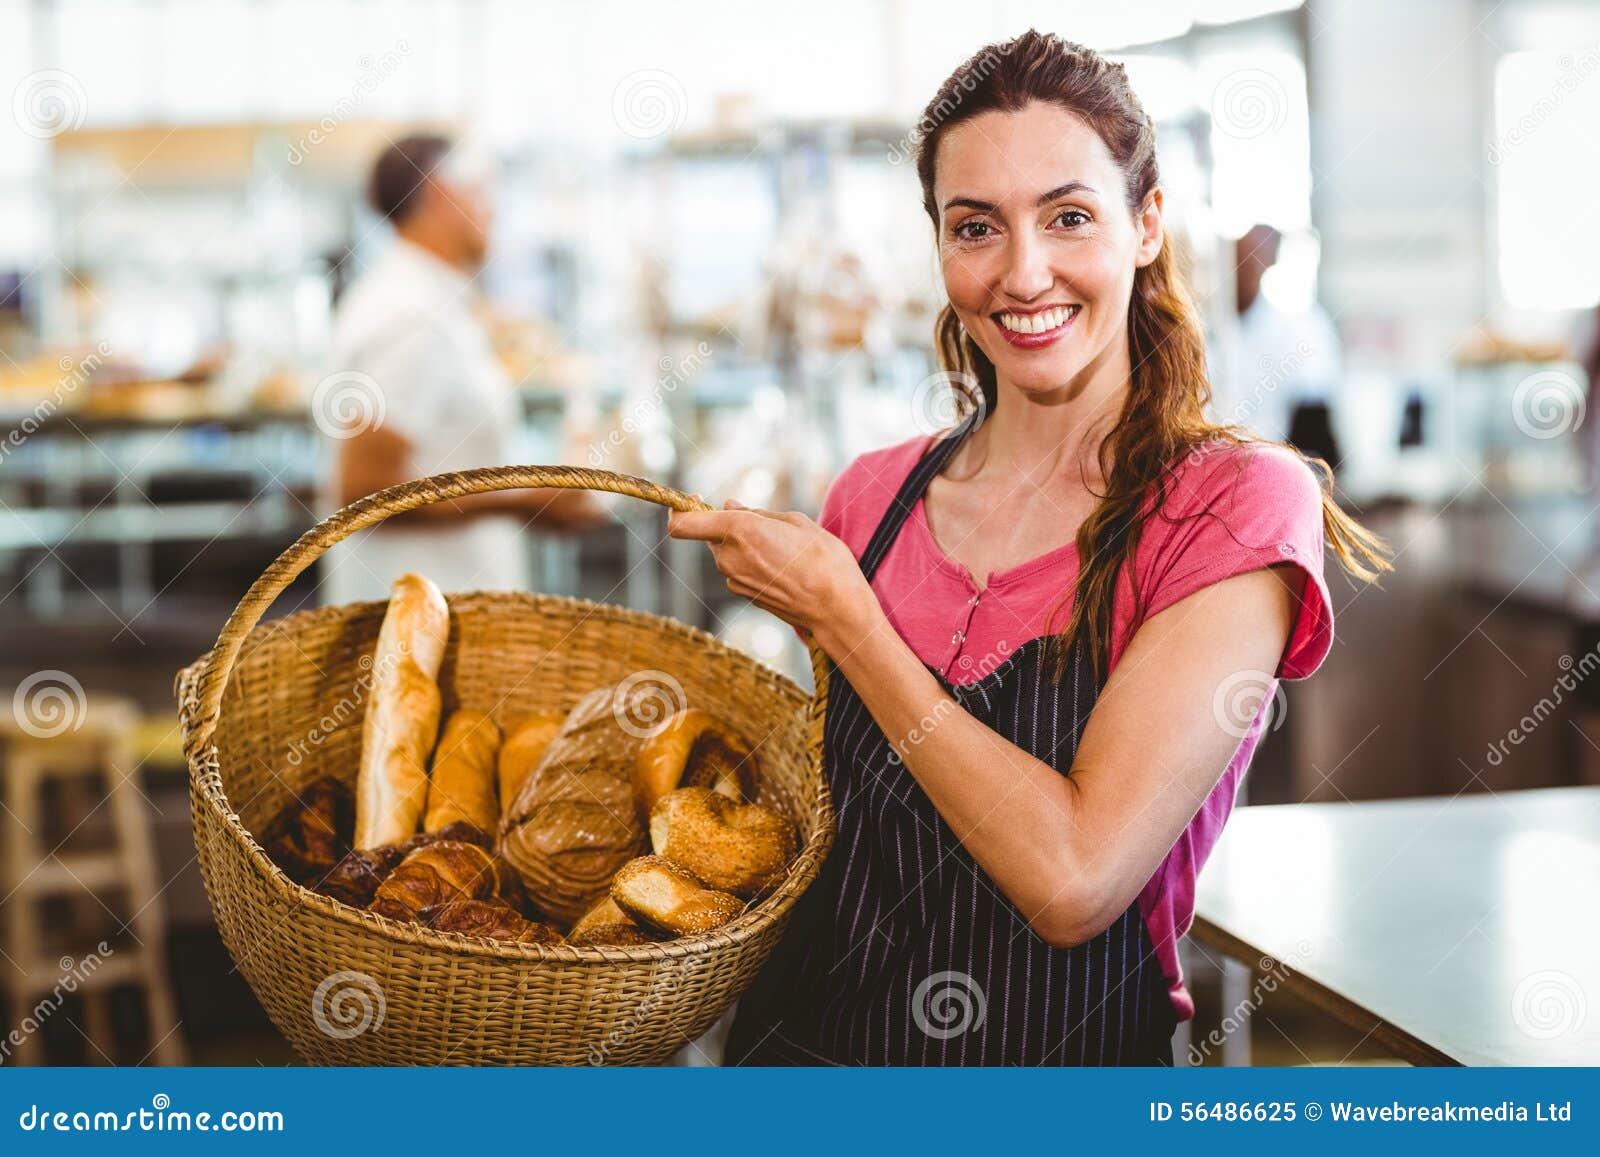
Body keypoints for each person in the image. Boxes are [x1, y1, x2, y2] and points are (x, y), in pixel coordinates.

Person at [669, 31, 1389, 1066]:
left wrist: (848, 622)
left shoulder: (1226, 507)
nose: (1022, 271)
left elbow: (1073, 880)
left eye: (1068, 216)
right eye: (975, 227)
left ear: (1145, 224)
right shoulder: (870, 495)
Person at [319, 134, 605, 604]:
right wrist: (523, 499)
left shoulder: (432, 300)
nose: (493, 211)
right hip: (413, 620)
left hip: (445, 606)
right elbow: (364, 490)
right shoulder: (408, 316)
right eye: (482, 191)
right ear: (439, 192)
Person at [1210, 224, 1345, 472]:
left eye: (1253, 259)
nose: (1242, 269)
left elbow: (1314, 425)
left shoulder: (1300, 329)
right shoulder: (1205, 328)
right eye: (1237, 259)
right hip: (1215, 468)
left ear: (1269, 262)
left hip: (1276, 470)